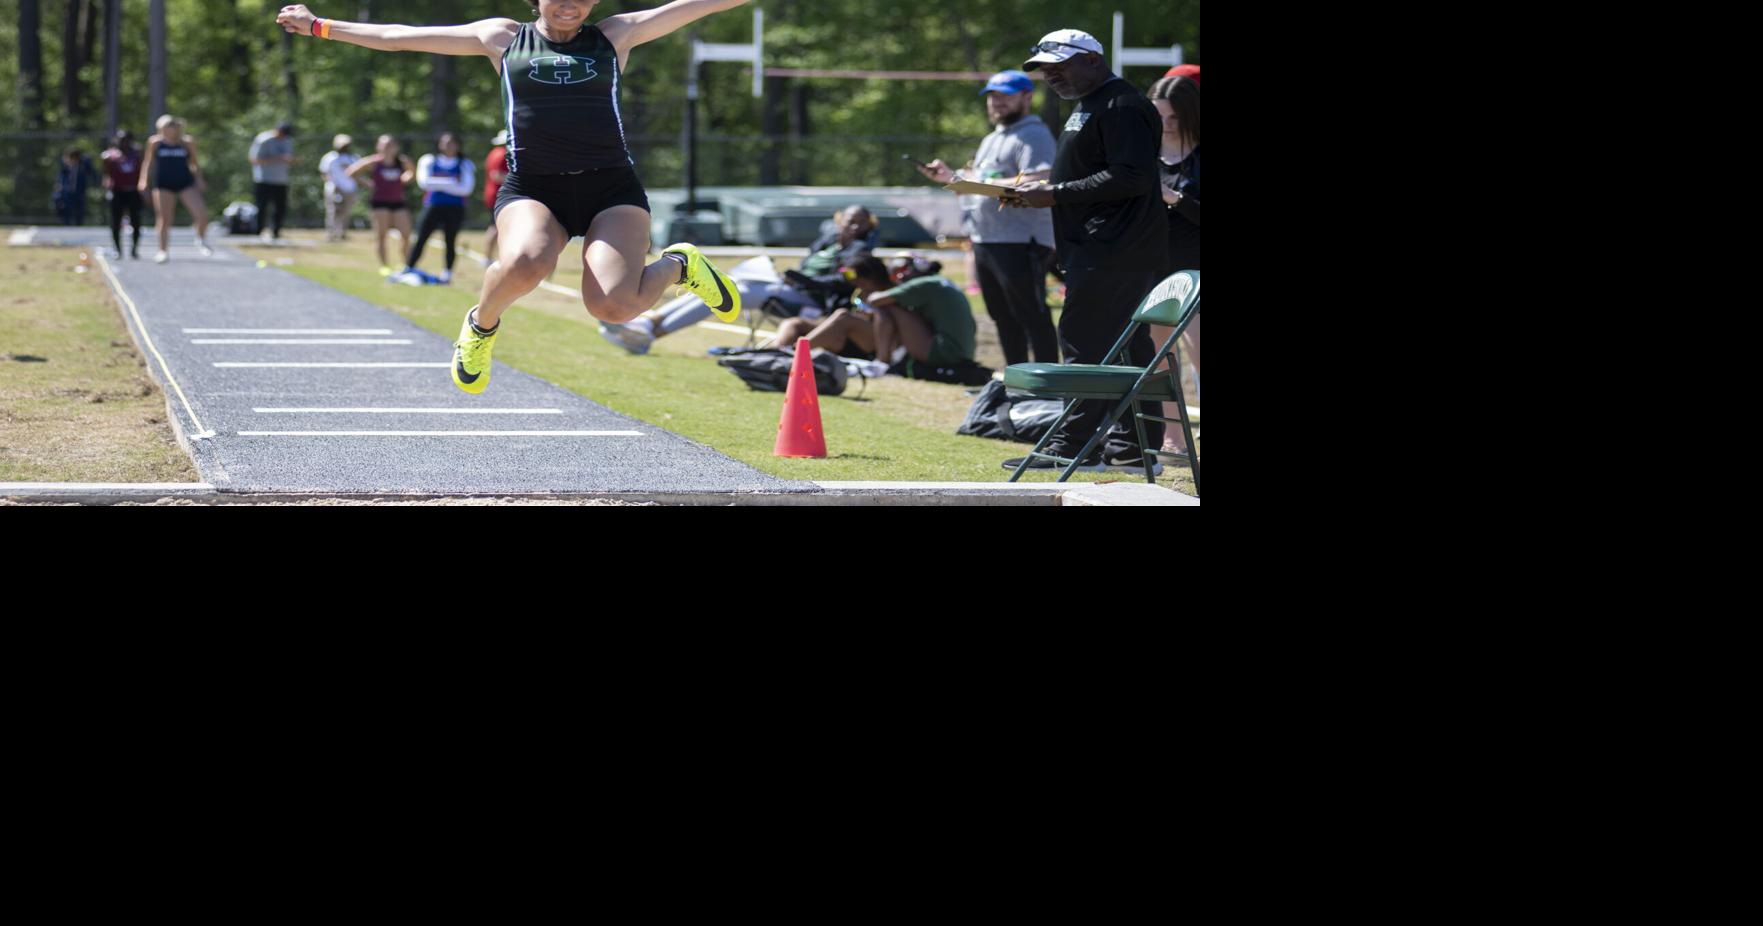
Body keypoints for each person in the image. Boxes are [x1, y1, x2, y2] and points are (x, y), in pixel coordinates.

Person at [277, 0, 749, 398]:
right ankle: (481, 327)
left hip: (611, 187)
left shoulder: (614, 36)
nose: (571, 5)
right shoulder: (501, 38)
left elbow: (696, 5)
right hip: (535, 187)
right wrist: (321, 26)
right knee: (525, 260)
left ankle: (679, 267)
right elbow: (399, 36)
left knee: (614, 308)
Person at [1000, 29, 1166, 473]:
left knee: (1084, 344)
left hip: (1114, 249)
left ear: (1093, 59)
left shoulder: (1122, 105)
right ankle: (1134, 451)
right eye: (1044, 70)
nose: (1051, 75)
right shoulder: (1094, 103)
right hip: (1102, 248)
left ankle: (1073, 447)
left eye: (1060, 65)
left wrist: (1054, 194)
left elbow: (1132, 178)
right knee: (1126, 349)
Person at [917, 69, 1059, 366]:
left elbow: (1037, 184)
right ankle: (1015, 380)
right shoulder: (993, 138)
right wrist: (951, 178)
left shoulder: (1033, 134)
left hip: (1021, 241)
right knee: (1003, 317)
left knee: (1031, 315)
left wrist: (977, 185)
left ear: (1027, 97)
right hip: (986, 240)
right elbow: (978, 189)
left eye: (1006, 96)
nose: (997, 102)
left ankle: (1047, 385)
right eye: (992, 96)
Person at [598, 203, 878, 354]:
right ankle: (649, 322)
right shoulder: (827, 241)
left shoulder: (860, 251)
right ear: (839, 220)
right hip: (789, 287)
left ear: (868, 227)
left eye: (860, 223)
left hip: (812, 302)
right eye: (849, 220)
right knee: (722, 283)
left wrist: (800, 279)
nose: (853, 227)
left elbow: (839, 284)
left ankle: (650, 334)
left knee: (735, 292)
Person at [1148, 74, 1200, 460]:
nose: (1166, 123)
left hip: (1196, 271)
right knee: (1160, 358)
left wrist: (1175, 198)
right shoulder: (1143, 155)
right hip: (1154, 269)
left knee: (1199, 353)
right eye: (1159, 115)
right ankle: (1174, 438)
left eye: (1174, 117)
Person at [399, 132, 476, 284]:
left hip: (455, 207)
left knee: (450, 240)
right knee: (421, 237)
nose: (448, 146)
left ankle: (447, 273)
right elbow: (425, 183)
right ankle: (409, 267)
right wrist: (453, 183)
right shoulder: (429, 160)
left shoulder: (464, 164)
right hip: (433, 205)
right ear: (439, 144)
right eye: (445, 143)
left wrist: (439, 184)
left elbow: (466, 189)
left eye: (452, 143)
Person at [137, 114, 214, 263]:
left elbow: (194, 163)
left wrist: (199, 179)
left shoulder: (186, 142)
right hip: (163, 184)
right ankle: (162, 251)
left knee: (202, 215)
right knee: (164, 219)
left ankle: (201, 238)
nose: (171, 129)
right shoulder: (156, 143)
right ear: (162, 128)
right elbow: (148, 163)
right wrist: (143, 181)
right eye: (168, 126)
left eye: (173, 126)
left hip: (185, 183)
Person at [345, 134, 417, 273]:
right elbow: (351, 172)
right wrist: (367, 183)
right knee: (382, 235)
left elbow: (412, 173)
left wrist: (404, 179)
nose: (388, 148)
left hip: (398, 202)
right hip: (380, 202)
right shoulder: (374, 162)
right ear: (379, 146)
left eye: (391, 145)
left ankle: (406, 265)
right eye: (384, 145)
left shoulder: (401, 162)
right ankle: (384, 266)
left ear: (396, 147)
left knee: (406, 234)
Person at [100, 131, 145, 258]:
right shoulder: (110, 156)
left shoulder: (137, 154)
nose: (123, 143)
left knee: (136, 221)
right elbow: (106, 174)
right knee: (115, 222)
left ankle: (134, 249)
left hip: (133, 191)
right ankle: (117, 250)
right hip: (117, 191)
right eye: (121, 140)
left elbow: (143, 170)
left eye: (126, 140)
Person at [249, 122, 296, 241]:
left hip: (281, 180)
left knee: (280, 207)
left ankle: (276, 231)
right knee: (262, 206)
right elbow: (254, 159)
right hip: (264, 179)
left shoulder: (288, 141)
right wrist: (278, 158)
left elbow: (289, 157)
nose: (284, 136)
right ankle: (258, 231)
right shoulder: (263, 139)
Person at [318, 134, 360, 242]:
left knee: (346, 212)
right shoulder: (329, 157)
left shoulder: (354, 158)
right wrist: (332, 183)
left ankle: (342, 233)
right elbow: (324, 173)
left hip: (350, 189)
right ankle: (330, 234)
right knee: (332, 211)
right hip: (334, 188)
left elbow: (358, 173)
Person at [52, 148, 101, 226]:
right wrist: (58, 187)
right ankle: (66, 225)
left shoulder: (82, 166)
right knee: (66, 210)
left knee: (79, 210)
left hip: (79, 192)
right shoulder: (65, 167)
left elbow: (91, 172)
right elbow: (60, 178)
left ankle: (79, 225)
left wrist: (86, 160)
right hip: (67, 192)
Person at [481, 130, 509, 263]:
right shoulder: (502, 154)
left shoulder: (494, 153)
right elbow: (496, 175)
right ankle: (487, 257)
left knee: (495, 226)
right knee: (495, 227)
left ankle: (489, 256)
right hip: (497, 195)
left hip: (494, 194)